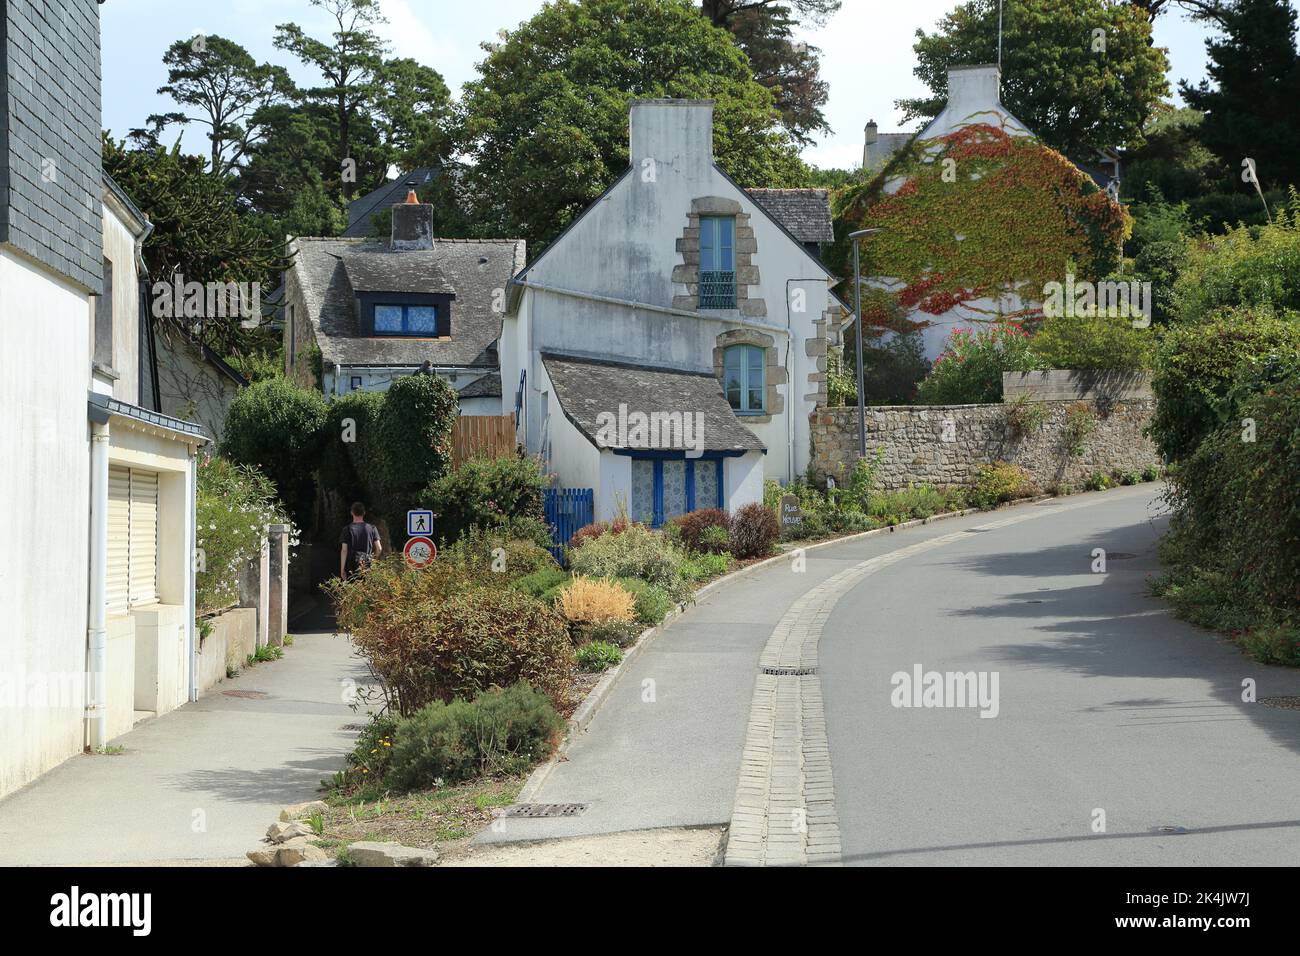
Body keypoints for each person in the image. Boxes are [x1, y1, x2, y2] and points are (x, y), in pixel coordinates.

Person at [339, 502, 381, 581]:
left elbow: (344, 550)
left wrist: (342, 570)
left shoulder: (347, 529)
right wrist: (372, 561)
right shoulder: (372, 528)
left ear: (352, 513)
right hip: (367, 565)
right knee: (366, 590)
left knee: (352, 591)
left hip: (351, 567)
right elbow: (379, 548)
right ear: (364, 513)